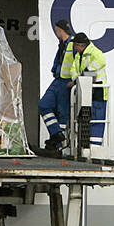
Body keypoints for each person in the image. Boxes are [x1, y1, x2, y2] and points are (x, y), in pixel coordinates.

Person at [61, 33, 109, 148]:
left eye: (75, 45)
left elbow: (101, 62)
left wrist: (84, 75)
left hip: (98, 89)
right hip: (85, 89)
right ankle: (85, 147)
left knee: (97, 119)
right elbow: (73, 70)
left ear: (80, 45)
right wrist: (77, 79)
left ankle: (95, 147)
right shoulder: (78, 56)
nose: (74, 48)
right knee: (85, 118)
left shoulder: (94, 51)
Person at [39, 19, 74, 153]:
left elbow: (79, 62)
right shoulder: (62, 44)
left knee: (62, 113)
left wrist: (74, 80)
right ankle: (57, 134)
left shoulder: (72, 44)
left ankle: (59, 144)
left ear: (59, 29)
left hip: (66, 83)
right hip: (58, 81)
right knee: (44, 104)